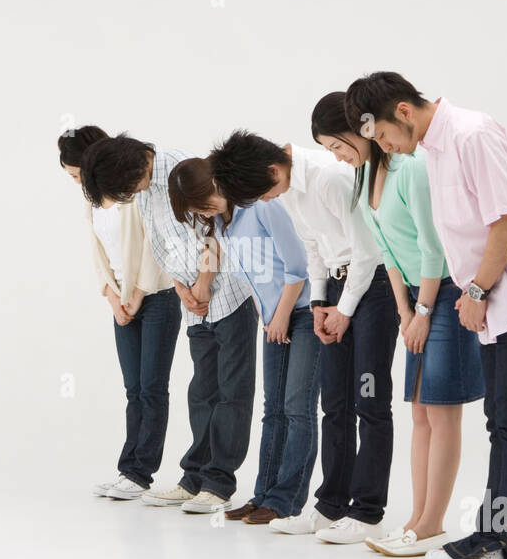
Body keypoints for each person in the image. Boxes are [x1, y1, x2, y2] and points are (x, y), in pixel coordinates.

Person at [344, 72, 507, 559]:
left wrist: (475, 291)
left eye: (382, 136)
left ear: (403, 111)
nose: (383, 148)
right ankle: (491, 535)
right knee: (501, 422)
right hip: (492, 304)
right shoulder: (435, 149)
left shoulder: (472, 133)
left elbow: (506, 221)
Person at [311, 92, 484, 559]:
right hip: (413, 299)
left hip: (445, 291)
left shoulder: (411, 170)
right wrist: (405, 312)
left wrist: (424, 312)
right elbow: (387, 250)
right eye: (329, 150)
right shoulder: (365, 178)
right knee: (420, 412)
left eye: (340, 144)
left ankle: (431, 524)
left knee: (442, 410)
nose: (339, 155)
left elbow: (432, 248)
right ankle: (416, 520)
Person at [208, 131, 398, 544]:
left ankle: (367, 513)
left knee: (371, 404)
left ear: (273, 169)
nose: (265, 202)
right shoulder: (286, 188)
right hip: (332, 286)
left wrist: (344, 311)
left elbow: (367, 251)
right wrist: (317, 304)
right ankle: (331, 507)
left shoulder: (330, 177)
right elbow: (312, 248)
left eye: (263, 193)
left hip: (374, 286)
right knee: (335, 405)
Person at [80, 134, 257, 514]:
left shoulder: (183, 166)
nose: (130, 195)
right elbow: (160, 244)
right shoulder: (142, 190)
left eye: (126, 188)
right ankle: (193, 479)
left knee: (231, 393)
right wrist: (182, 287)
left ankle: (218, 484)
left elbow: (217, 228)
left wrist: (204, 283)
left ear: (135, 168)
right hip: (194, 299)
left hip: (228, 293)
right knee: (202, 392)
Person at [168, 154, 319, 525]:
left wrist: (281, 315)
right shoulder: (223, 226)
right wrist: (268, 317)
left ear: (217, 184)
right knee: (274, 411)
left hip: (302, 313)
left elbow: (298, 267)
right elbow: (252, 278)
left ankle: (287, 501)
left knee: (298, 409)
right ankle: (263, 495)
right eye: (198, 210)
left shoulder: (262, 207)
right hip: (272, 320)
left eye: (205, 203)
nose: (204, 213)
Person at [58, 125, 181, 501]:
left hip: (157, 295)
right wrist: (114, 298)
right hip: (123, 303)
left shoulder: (131, 191)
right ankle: (128, 469)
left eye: (78, 174)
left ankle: (141, 473)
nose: (78, 183)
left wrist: (137, 294)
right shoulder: (93, 199)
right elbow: (97, 253)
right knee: (133, 390)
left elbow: (153, 244)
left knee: (151, 387)